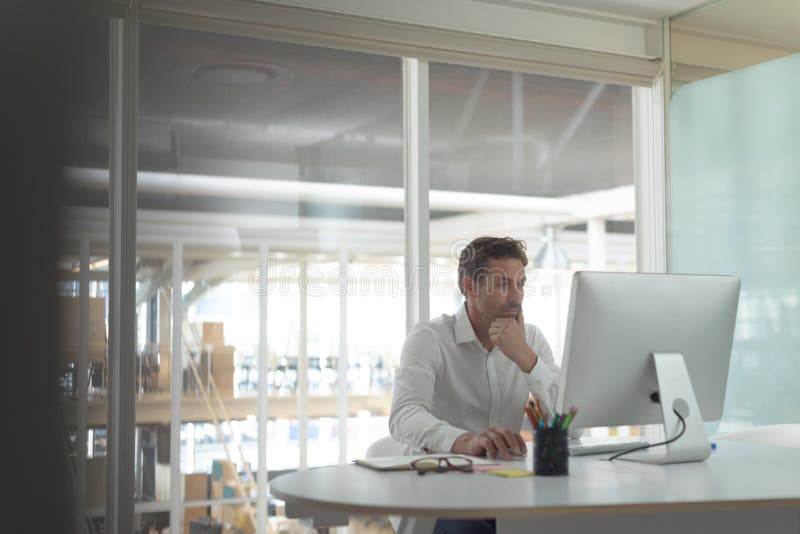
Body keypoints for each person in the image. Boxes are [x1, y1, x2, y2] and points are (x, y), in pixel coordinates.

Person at [389, 237, 560, 534]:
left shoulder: (531, 341)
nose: (516, 297)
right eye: (503, 284)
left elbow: (570, 424)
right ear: (470, 287)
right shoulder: (429, 338)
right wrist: (464, 441)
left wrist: (525, 358)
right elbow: (404, 414)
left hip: (508, 484)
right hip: (444, 487)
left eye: (520, 284)